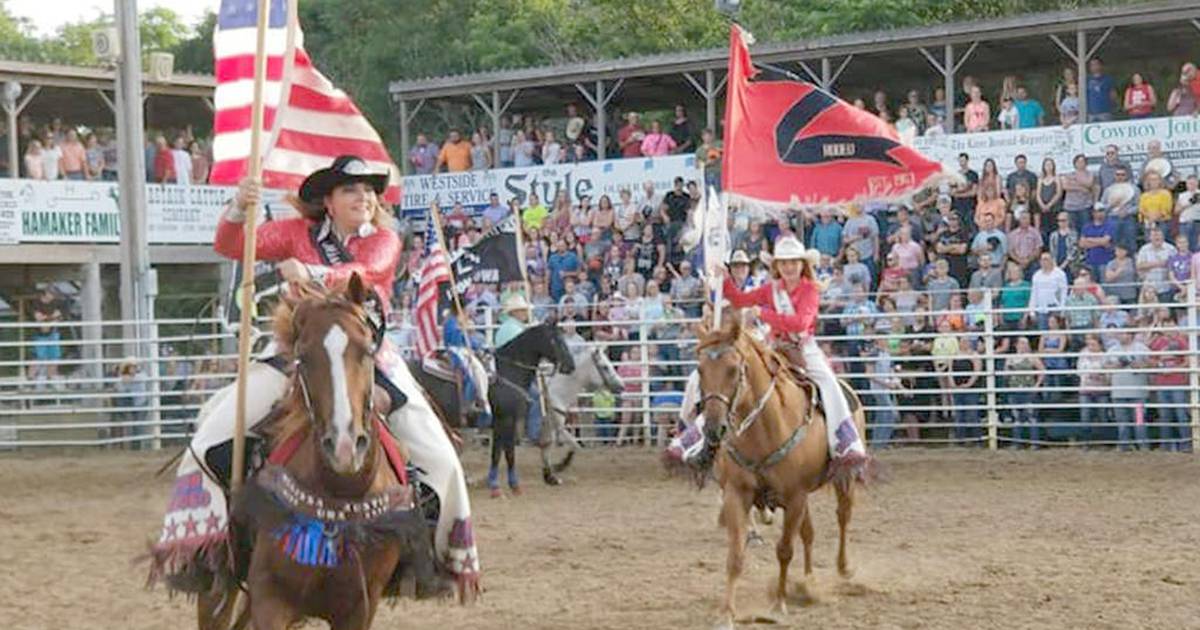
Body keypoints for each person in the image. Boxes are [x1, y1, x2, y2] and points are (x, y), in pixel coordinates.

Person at [177, 155, 480, 593]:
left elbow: (366, 272)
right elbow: (230, 245)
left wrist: (312, 272)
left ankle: (434, 559)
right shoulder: (295, 233)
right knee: (207, 441)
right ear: (328, 202)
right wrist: (238, 206)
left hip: (369, 357)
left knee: (442, 461)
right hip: (299, 353)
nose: (364, 198)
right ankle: (210, 546)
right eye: (351, 190)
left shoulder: (383, 240)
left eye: (370, 191)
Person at [722, 236, 872, 481]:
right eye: (783, 263)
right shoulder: (771, 289)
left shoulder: (810, 289)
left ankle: (846, 441)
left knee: (829, 383)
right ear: (777, 266)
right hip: (774, 346)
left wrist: (764, 313)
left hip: (803, 348)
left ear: (802, 264)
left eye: (793, 262)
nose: (789, 267)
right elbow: (740, 300)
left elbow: (801, 322)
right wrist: (725, 280)